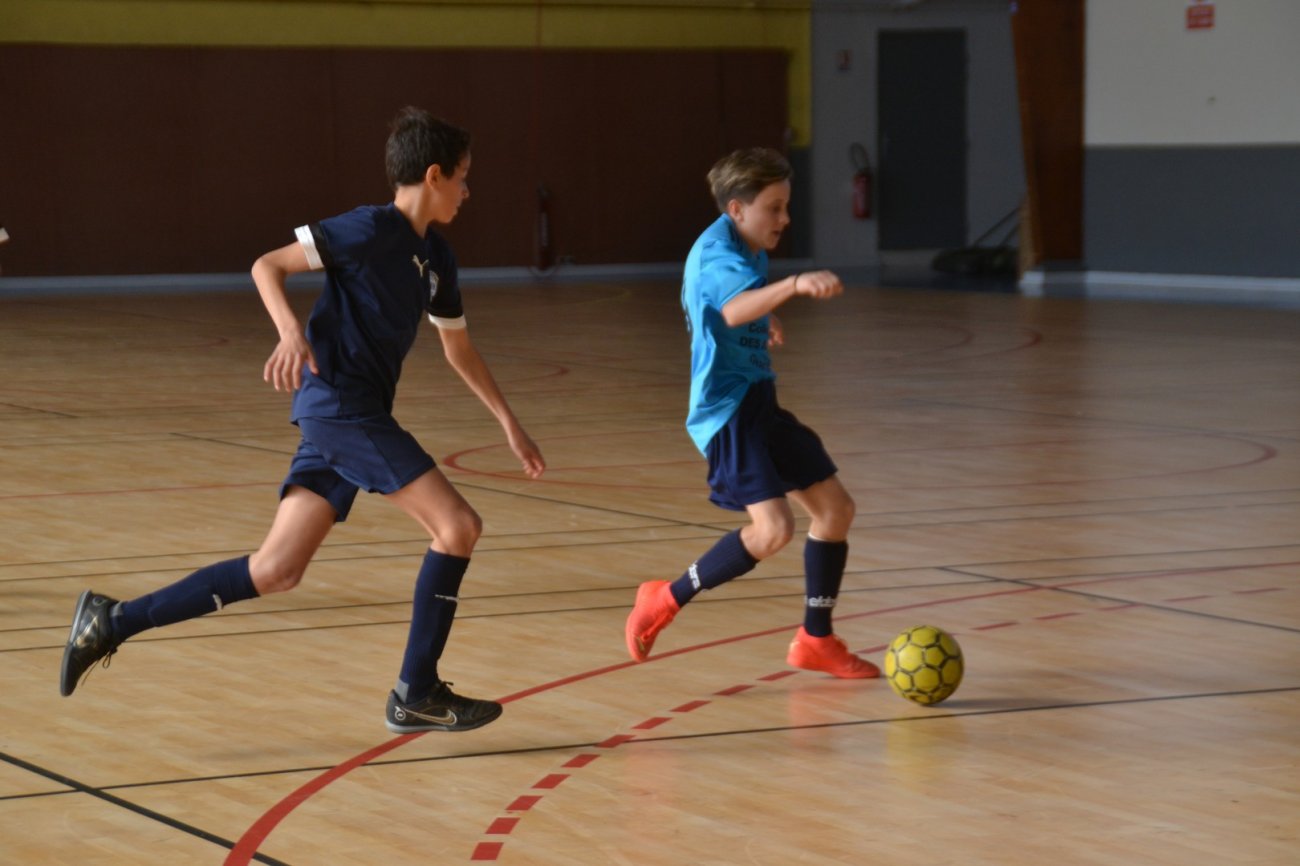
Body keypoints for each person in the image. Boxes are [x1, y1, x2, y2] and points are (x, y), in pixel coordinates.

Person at [60, 107, 546, 733]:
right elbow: (268, 265)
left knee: (276, 570)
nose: (467, 191)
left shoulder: (437, 259)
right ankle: (416, 691)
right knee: (458, 526)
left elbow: (459, 348)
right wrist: (290, 331)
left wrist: (508, 422)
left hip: (345, 417)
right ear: (433, 175)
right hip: (341, 409)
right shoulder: (369, 228)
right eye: (463, 177)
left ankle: (110, 621)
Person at [624, 147, 877, 678]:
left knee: (835, 510)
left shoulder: (748, 244)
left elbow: (732, 310)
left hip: (759, 400)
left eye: (786, 206)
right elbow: (734, 306)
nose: (785, 219)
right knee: (773, 529)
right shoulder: (718, 252)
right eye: (774, 208)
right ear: (737, 209)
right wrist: (793, 286)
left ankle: (816, 639)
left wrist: (767, 320)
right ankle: (664, 598)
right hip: (727, 416)